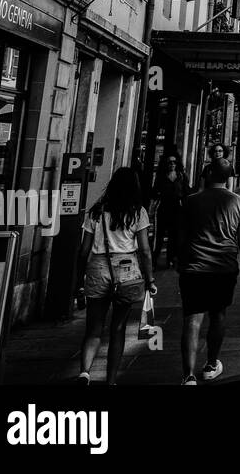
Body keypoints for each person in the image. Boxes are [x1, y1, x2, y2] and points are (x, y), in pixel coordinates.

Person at [177, 157, 240, 384]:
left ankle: (188, 375)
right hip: (223, 267)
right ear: (229, 177)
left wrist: (180, 263)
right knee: (218, 316)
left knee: (192, 319)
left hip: (194, 267)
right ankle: (211, 364)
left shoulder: (190, 201)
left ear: (208, 174)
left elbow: (181, 237)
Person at [76, 167, 154, 385]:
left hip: (98, 268)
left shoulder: (96, 212)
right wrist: (150, 279)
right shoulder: (138, 212)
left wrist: (79, 278)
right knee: (118, 328)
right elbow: (145, 250)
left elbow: (84, 250)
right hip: (127, 269)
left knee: (93, 328)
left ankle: (85, 371)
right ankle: (111, 380)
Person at [151, 151, 189, 267]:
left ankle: (170, 259)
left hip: (177, 208)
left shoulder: (182, 176)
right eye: (169, 162)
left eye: (174, 162)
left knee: (174, 235)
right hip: (163, 208)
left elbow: (186, 193)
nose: (172, 164)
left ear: (177, 163)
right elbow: (154, 192)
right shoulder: (161, 176)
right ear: (166, 164)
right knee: (159, 236)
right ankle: (153, 260)